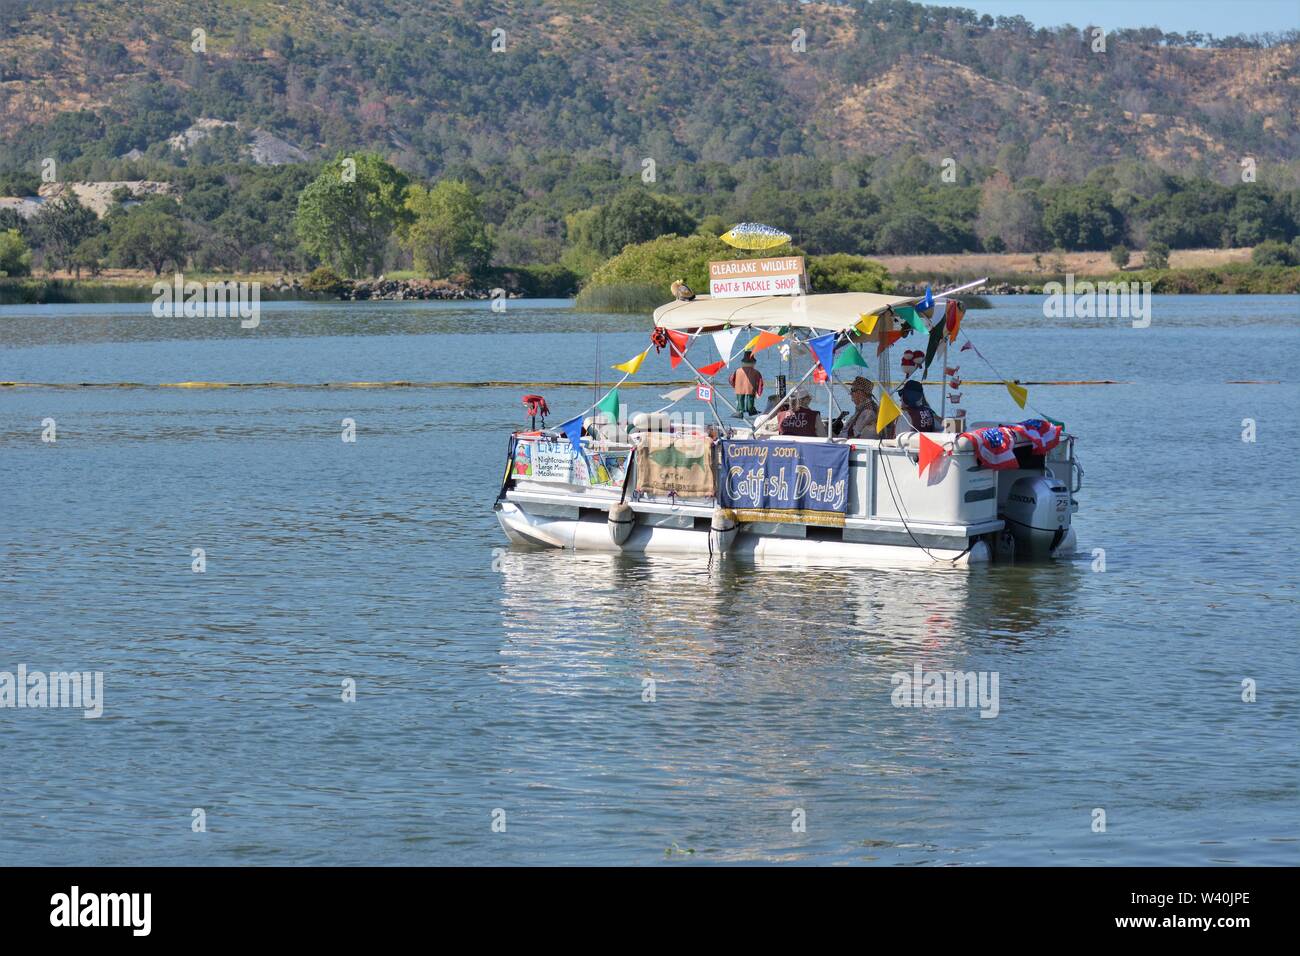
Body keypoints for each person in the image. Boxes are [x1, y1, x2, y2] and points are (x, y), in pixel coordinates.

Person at [728, 351, 763, 417]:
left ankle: (740, 412)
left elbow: (731, 379)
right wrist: (759, 392)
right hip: (751, 389)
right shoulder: (756, 372)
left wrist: (734, 386)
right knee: (750, 400)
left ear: (743, 362)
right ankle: (751, 410)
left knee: (740, 399)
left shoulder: (737, 371)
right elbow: (760, 382)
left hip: (739, 389)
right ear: (753, 363)